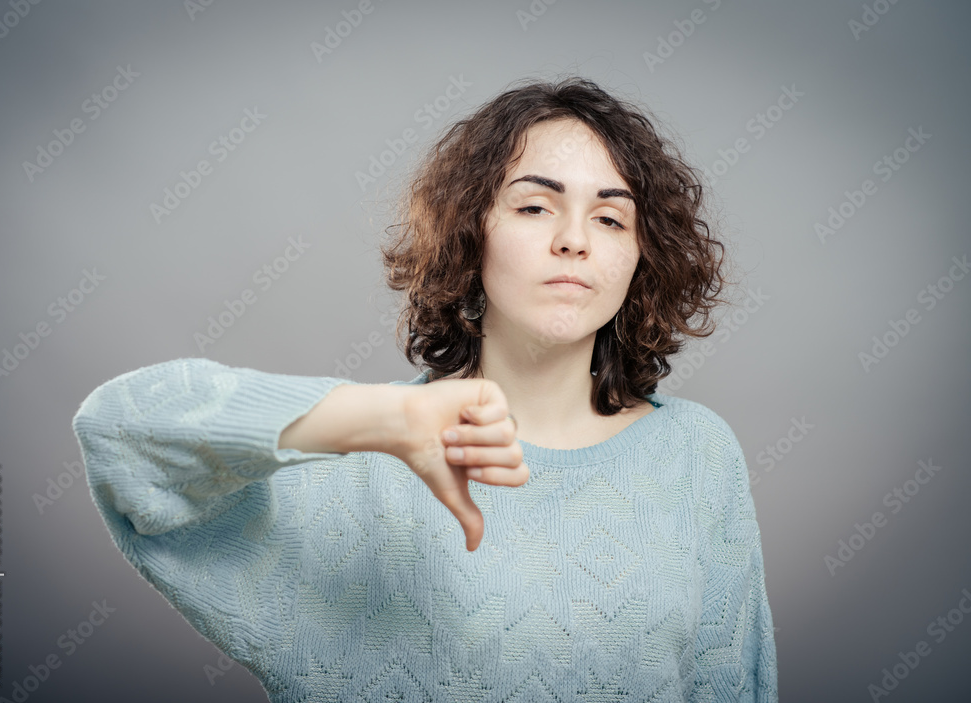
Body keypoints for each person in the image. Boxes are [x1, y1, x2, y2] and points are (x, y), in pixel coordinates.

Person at [72, 76, 778, 701]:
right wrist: (385, 417)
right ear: (472, 236)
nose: (574, 239)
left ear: (639, 259)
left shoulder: (697, 454)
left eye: (610, 216)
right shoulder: (366, 460)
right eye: (535, 207)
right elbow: (120, 430)